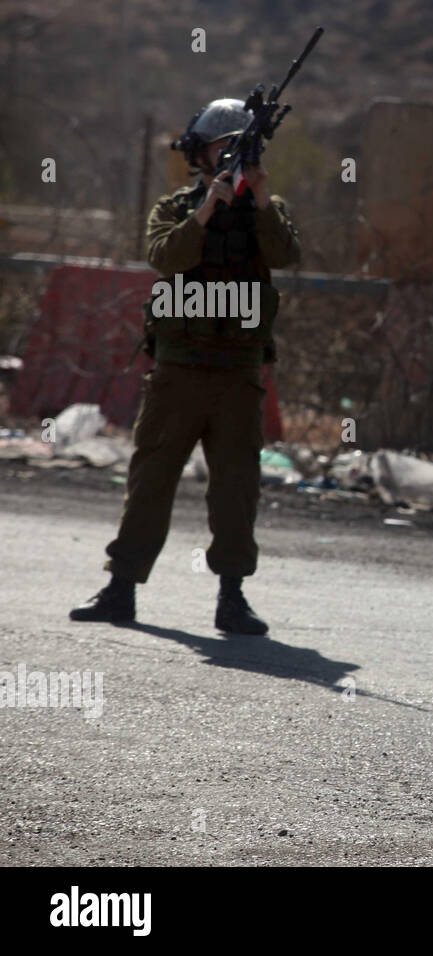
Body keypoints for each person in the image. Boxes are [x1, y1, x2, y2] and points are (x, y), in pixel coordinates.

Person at [69, 98, 301, 634]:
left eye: (239, 146)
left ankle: (232, 598)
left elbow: (284, 255)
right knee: (150, 481)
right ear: (200, 154)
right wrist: (205, 211)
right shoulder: (175, 208)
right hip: (177, 373)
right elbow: (166, 257)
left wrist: (259, 198)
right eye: (222, 146)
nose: (231, 154)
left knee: (236, 489)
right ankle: (121, 589)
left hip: (237, 374)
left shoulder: (267, 208)